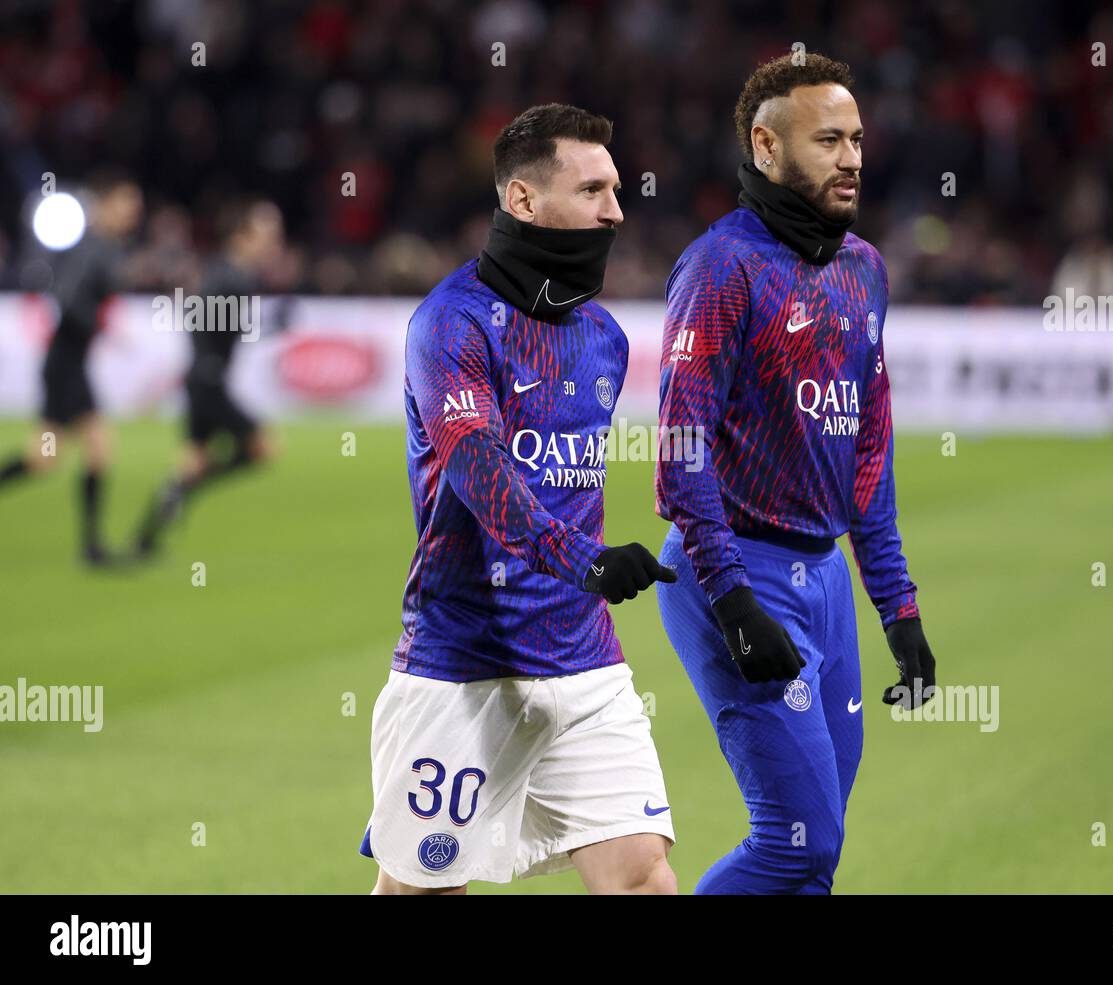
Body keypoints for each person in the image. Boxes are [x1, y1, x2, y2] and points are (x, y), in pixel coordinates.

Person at [360, 104, 678, 895]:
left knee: (642, 876)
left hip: (585, 658)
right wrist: (586, 561)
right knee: (424, 890)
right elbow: (479, 469)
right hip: (463, 661)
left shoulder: (603, 334)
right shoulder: (452, 322)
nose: (617, 207)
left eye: (614, 187)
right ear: (525, 201)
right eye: (594, 188)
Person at [655, 53, 938, 894]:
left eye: (856, 139)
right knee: (797, 843)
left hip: (824, 581)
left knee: (817, 854)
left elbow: (870, 456)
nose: (851, 156)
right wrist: (733, 596)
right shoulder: (721, 267)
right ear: (766, 147)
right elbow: (678, 448)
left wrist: (900, 609)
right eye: (828, 140)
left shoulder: (865, 270)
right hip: (736, 570)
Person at [0, 172, 142, 565]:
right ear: (107, 203)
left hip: (68, 364)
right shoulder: (94, 248)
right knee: (73, 452)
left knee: (52, 456)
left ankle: (92, 547)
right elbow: (65, 296)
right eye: (127, 203)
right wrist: (99, 324)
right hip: (65, 366)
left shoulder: (100, 247)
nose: (134, 212)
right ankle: (92, 548)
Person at [134, 200, 283, 557]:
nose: (273, 242)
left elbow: (210, 321)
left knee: (193, 462)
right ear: (243, 235)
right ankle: (181, 495)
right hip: (209, 382)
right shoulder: (230, 276)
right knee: (263, 447)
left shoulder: (225, 272)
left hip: (203, 379)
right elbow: (203, 322)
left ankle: (147, 539)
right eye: (267, 234)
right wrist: (209, 364)